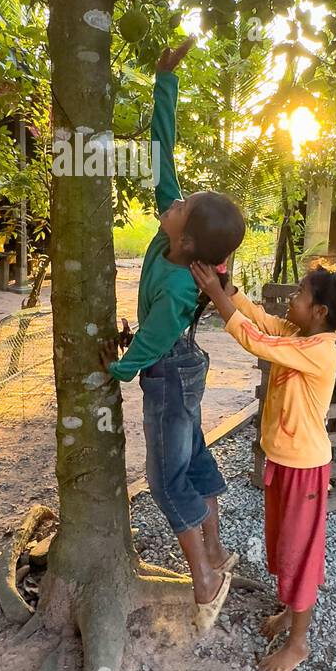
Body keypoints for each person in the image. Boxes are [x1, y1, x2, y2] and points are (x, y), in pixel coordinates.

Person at [101, 37, 246, 633]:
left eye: (182, 207)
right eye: (181, 198)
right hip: (183, 366)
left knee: (164, 482)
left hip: (168, 369)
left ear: (186, 242)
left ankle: (206, 581)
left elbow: (155, 339)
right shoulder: (175, 237)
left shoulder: (184, 283)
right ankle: (214, 554)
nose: (175, 198)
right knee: (193, 458)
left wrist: (118, 369)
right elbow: (164, 157)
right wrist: (165, 82)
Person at [189, 261, 336, 671]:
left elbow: (258, 342)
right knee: (284, 543)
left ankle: (298, 643)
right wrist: (230, 291)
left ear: (320, 311)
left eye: (300, 295)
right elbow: (263, 322)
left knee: (300, 553)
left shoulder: (320, 350)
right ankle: (290, 611)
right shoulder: (303, 333)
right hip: (284, 462)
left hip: (304, 470)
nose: (292, 299)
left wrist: (215, 298)